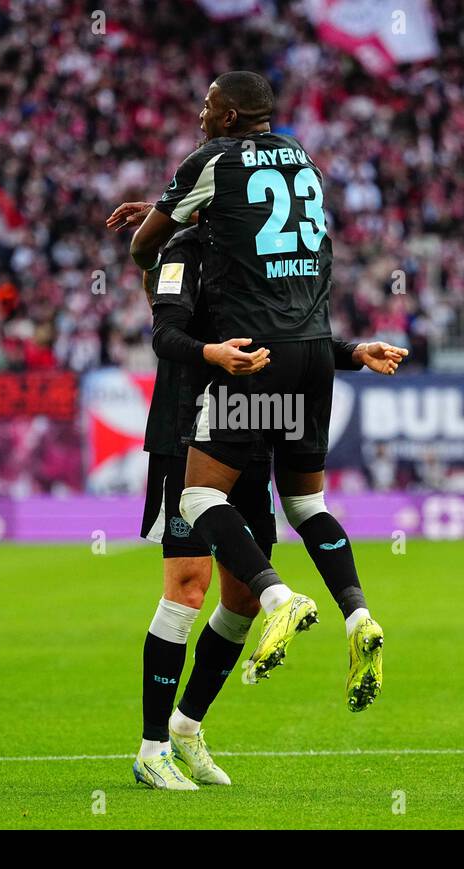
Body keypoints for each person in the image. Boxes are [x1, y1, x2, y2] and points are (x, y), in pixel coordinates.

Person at [126, 71, 406, 713]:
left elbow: (147, 254)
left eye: (206, 106)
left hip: (249, 365)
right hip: (314, 350)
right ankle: (358, 614)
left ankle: (281, 597)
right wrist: (353, 350)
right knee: (307, 506)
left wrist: (164, 232)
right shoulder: (302, 161)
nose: (200, 115)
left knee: (200, 498)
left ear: (228, 117)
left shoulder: (208, 167)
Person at [107, 205, 406, 788]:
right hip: (188, 430)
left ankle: (188, 728)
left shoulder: (254, 257)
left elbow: (287, 335)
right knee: (186, 590)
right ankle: (150, 748)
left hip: (247, 431)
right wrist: (209, 349)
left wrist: (349, 353)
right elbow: (165, 330)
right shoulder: (186, 251)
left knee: (241, 599)